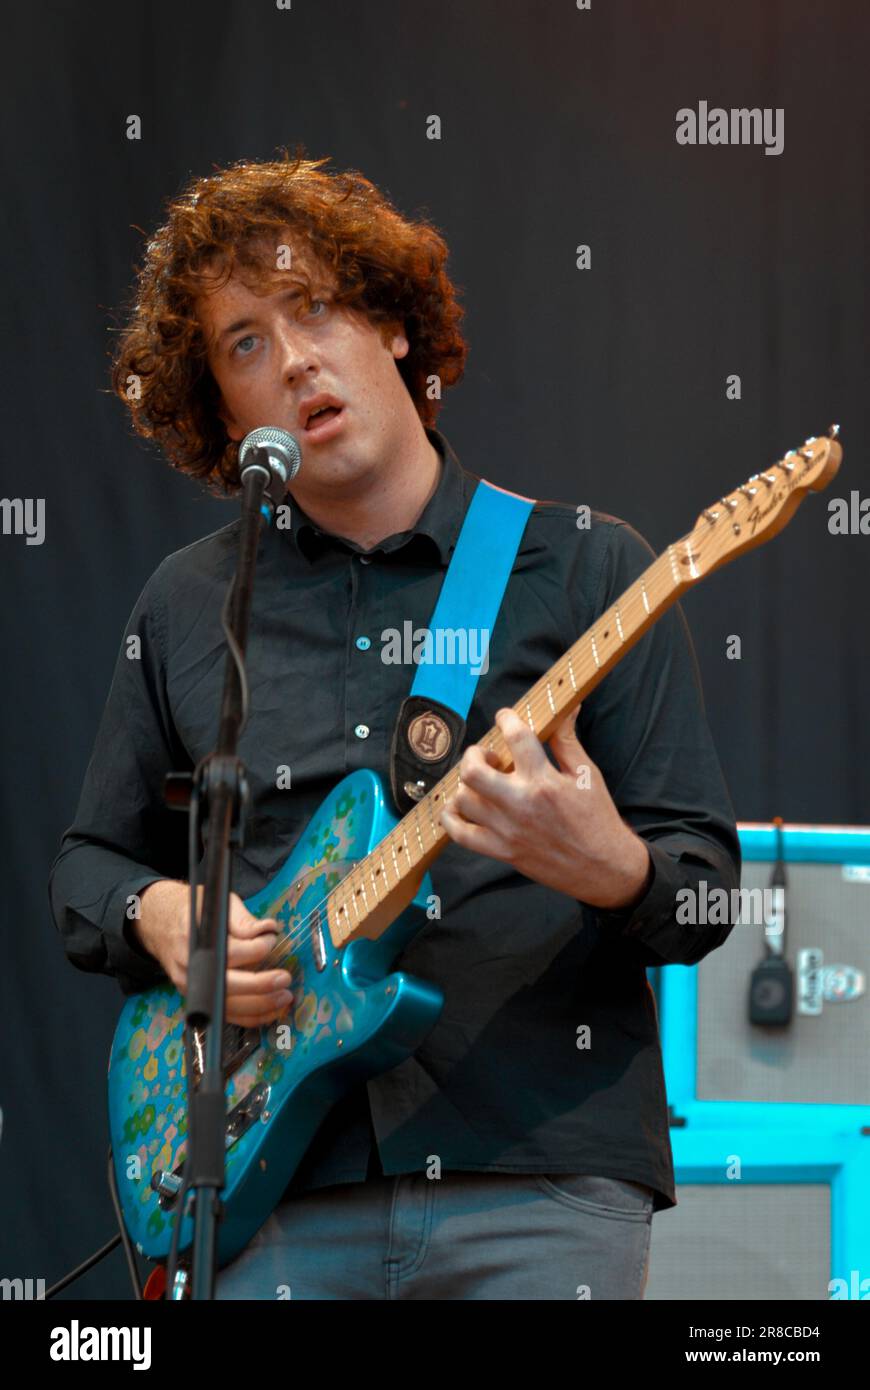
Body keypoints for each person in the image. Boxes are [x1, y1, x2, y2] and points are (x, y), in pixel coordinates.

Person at [48, 151, 741, 1300]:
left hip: (541, 1181)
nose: (296, 359)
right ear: (224, 412)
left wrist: (615, 871)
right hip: (267, 1195)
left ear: (394, 327)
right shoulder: (190, 602)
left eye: (316, 306)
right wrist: (165, 912)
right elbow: (86, 867)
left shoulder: (587, 568)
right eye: (245, 343)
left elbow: (704, 883)